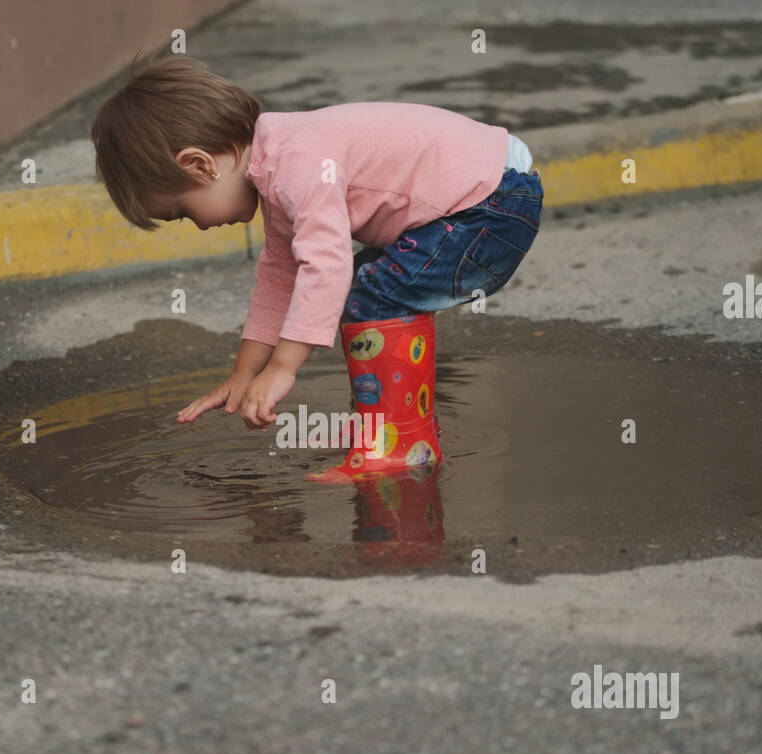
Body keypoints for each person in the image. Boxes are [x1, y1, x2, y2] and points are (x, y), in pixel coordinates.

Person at [91, 56, 542, 482]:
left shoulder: (296, 164)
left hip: (492, 204)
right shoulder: (277, 159)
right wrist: (245, 373)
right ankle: (387, 427)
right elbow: (280, 276)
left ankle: (398, 446)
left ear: (199, 164)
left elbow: (326, 265)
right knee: (366, 291)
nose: (200, 226)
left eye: (184, 212)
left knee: (373, 293)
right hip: (489, 194)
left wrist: (283, 368)